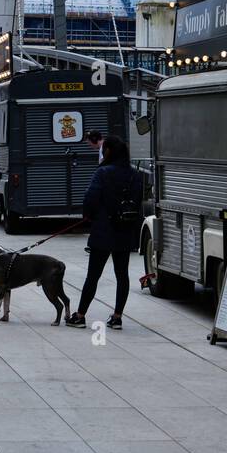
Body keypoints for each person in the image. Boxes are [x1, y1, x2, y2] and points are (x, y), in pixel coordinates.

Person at [67, 135, 141, 330]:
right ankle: (117, 317)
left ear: (108, 152)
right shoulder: (135, 174)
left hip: (103, 230)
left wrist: (89, 217)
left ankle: (80, 315)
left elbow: (90, 198)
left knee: (93, 275)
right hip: (125, 230)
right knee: (122, 274)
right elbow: (138, 201)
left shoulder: (102, 173)